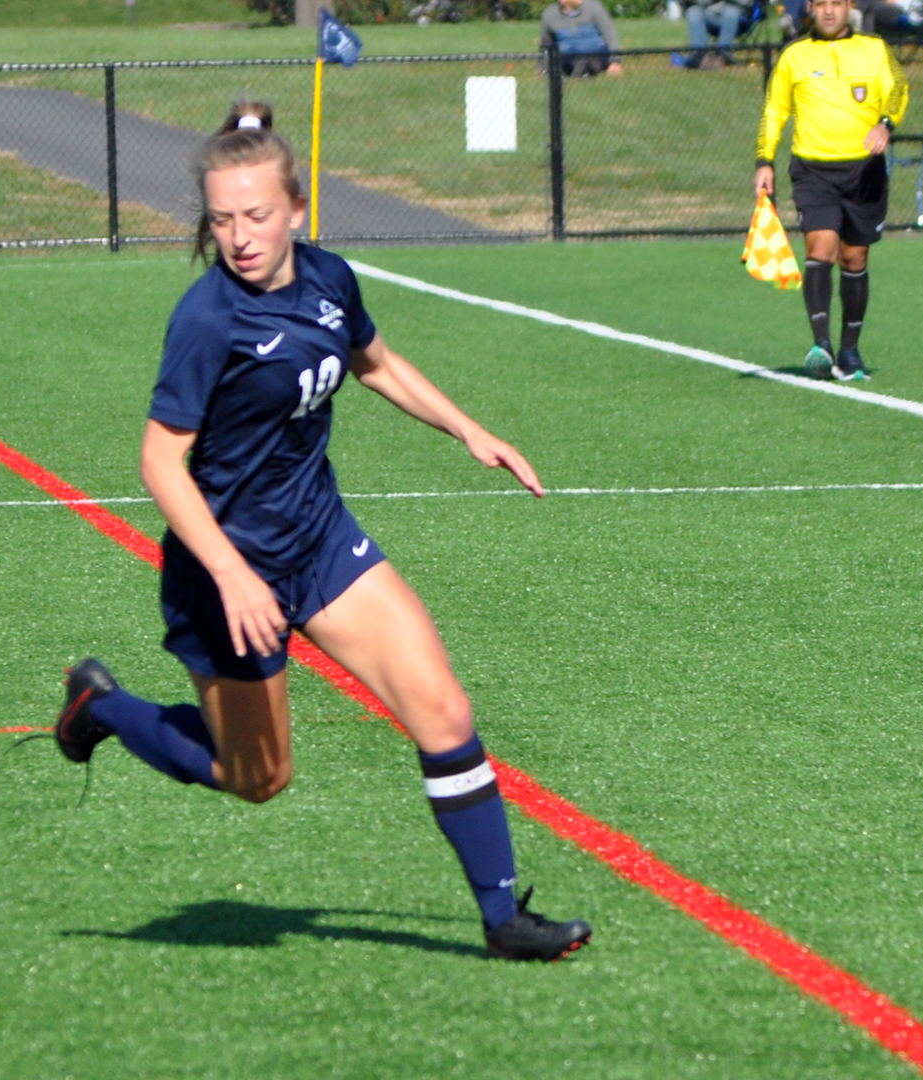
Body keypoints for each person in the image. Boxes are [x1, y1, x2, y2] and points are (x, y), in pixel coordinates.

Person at [48, 102, 594, 963]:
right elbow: (160, 461)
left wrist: (468, 430)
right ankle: (103, 707)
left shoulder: (331, 279)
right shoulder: (208, 319)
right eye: (221, 220)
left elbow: (377, 363)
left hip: (320, 542)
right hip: (224, 577)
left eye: (256, 215)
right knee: (257, 778)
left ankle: (502, 921)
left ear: (297, 209)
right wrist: (233, 575)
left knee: (444, 711)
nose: (239, 237)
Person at [755, 0, 909, 380]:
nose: (828, 11)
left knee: (855, 258)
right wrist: (764, 160)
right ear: (810, 8)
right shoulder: (794, 55)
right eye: (820, 3)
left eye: (835, 3)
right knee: (820, 246)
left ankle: (849, 350)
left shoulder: (874, 49)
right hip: (814, 171)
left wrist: (886, 123)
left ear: (848, 6)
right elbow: (774, 110)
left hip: (864, 172)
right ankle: (821, 345)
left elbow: (897, 89)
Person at [539, 0, 625, 77]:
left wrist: (615, 61)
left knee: (589, 59)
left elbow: (610, 35)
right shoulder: (549, 15)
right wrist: (543, 67)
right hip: (569, 58)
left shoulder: (594, 7)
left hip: (596, 54)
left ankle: (585, 69)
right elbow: (546, 45)